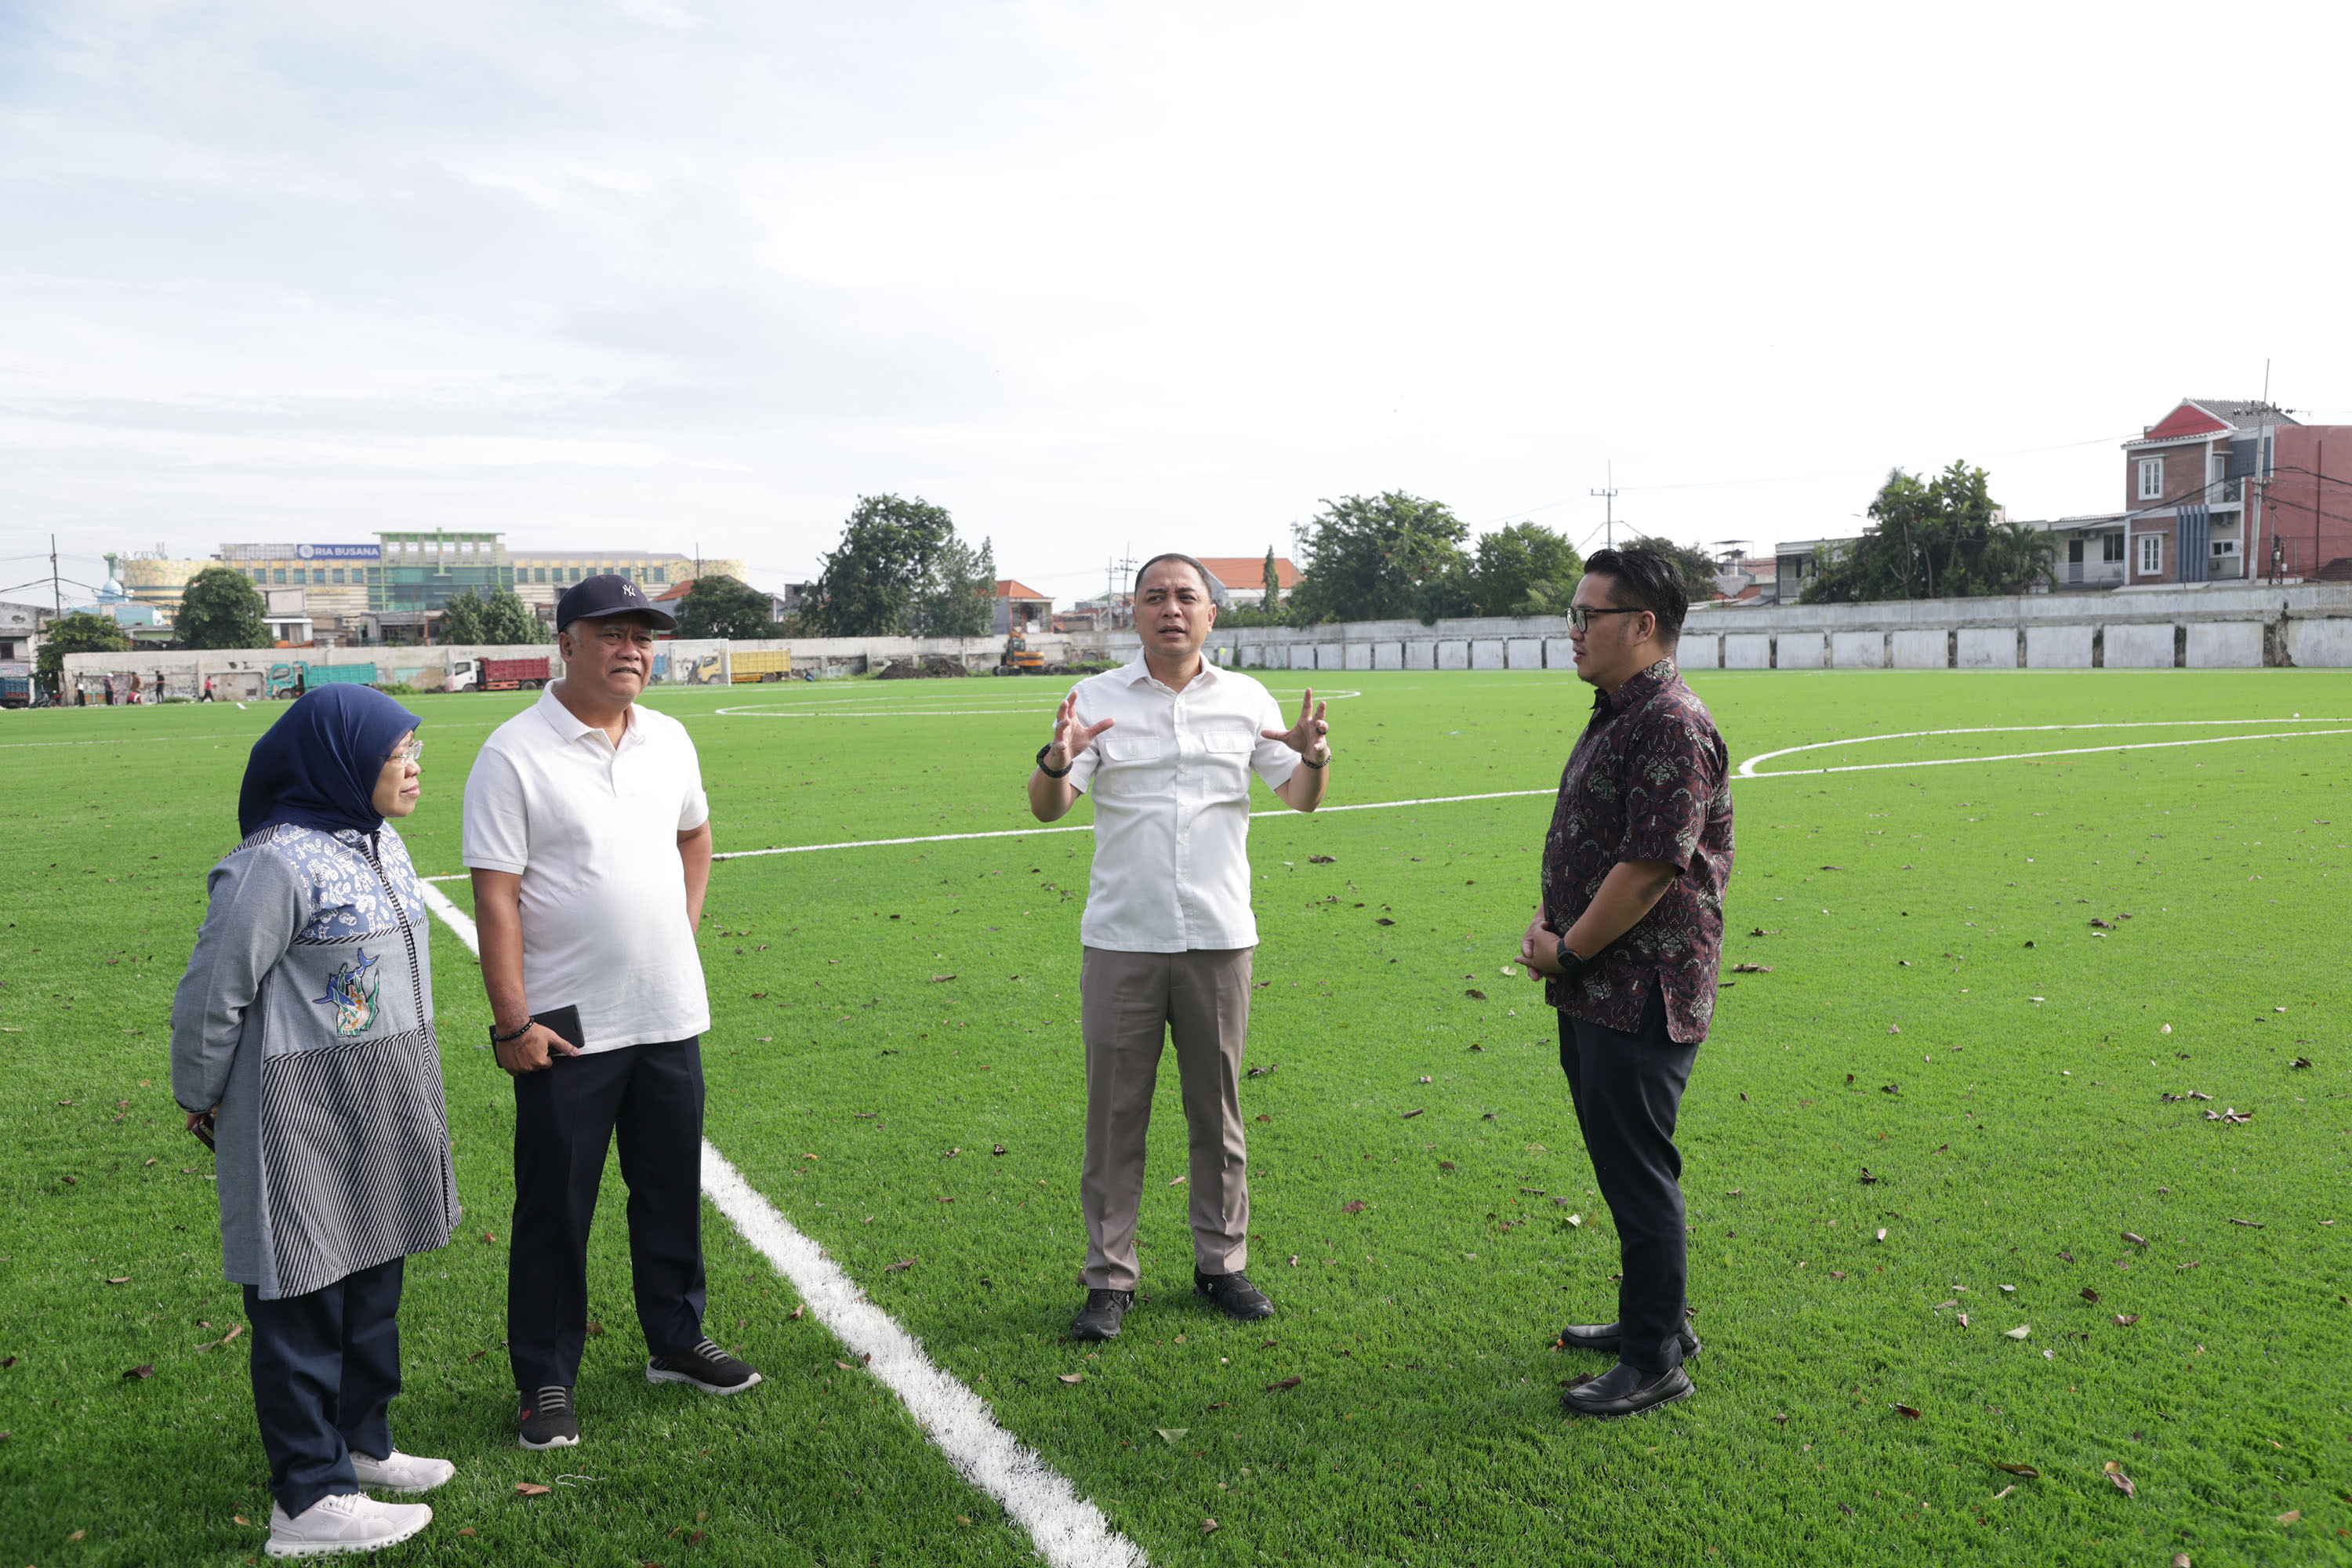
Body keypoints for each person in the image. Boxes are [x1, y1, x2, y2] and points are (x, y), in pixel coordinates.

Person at [462, 573, 755, 1452]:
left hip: (667, 1008)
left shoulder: (668, 738)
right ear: (567, 643)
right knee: (556, 1204)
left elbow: (696, 835)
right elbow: (497, 894)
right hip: (565, 1022)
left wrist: (681, 928)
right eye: (613, 633)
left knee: (668, 1187)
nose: (633, 648)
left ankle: (676, 1336)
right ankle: (546, 1379)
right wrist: (513, 1021)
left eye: (645, 634)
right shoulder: (513, 753)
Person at [170, 685, 459, 1557]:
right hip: (302, 1114)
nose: (414, 766)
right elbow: (212, 994)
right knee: (300, 1298)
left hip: (390, 1101)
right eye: (396, 752)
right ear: (339, 761)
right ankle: (307, 1497)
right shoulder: (273, 865)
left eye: (415, 747)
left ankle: (361, 1445)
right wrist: (200, 1094)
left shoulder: (380, 839)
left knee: (372, 1289)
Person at [1027, 554, 1331, 1341]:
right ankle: (1108, 1278)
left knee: (1217, 1109)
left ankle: (1221, 1263)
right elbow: (1049, 808)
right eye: (1155, 595)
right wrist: (1057, 759)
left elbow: (1298, 798)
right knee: (1113, 1116)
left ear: (1211, 614)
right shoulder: (1093, 700)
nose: (1171, 607)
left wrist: (1315, 758)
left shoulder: (1245, 699)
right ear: (1132, 611)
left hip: (1219, 935)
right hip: (1123, 935)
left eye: (1186, 595)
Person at [1516, 546, 1734, 1419]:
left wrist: (1567, 949)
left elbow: (1648, 869)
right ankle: (1656, 1320)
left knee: (1640, 1172)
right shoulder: (1620, 711)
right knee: (1626, 1165)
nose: (1572, 630)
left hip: (1637, 986)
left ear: (1642, 625)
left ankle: (1655, 1357)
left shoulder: (1669, 721)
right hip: (1600, 983)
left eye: (1586, 615)